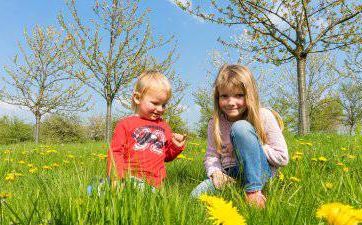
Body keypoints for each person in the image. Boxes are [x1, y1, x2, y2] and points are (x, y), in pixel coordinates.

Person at [191, 64, 289, 208]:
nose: (231, 102)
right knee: (195, 197)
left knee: (240, 127)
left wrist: (252, 146)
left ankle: (253, 192)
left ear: (250, 95)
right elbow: (211, 156)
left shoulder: (264, 116)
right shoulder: (215, 123)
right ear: (217, 97)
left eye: (239, 95)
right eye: (224, 96)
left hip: (259, 171)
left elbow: (282, 157)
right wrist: (216, 172)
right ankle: (238, 188)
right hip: (229, 175)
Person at [107, 70, 186, 189]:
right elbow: (115, 152)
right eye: (155, 103)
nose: (160, 109)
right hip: (128, 180)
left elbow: (167, 156)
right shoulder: (125, 124)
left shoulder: (164, 127)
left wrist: (176, 146)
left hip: (156, 185)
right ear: (137, 98)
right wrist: (117, 177)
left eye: (164, 105)